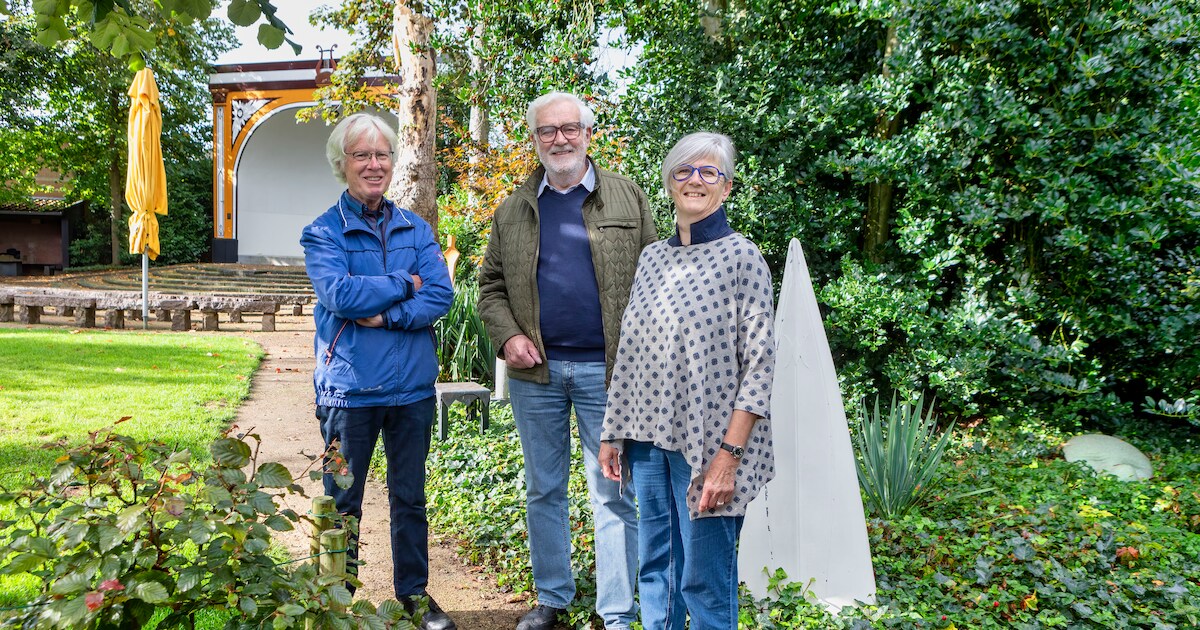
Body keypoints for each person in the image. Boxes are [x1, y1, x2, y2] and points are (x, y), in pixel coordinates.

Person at [478, 92, 657, 630]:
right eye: (548, 131)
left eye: (569, 128)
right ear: (534, 140)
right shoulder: (513, 209)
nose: (559, 139)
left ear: (587, 134)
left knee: (614, 491)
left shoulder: (628, 198)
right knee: (544, 488)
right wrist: (508, 337)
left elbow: (655, 281)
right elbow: (490, 288)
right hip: (538, 375)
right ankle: (552, 598)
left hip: (610, 375)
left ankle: (618, 611)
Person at [599, 132, 776, 630]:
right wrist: (613, 432)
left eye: (708, 172)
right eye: (684, 171)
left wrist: (728, 459)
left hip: (711, 446)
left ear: (727, 187)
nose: (694, 180)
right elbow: (631, 352)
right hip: (647, 441)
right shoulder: (652, 257)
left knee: (704, 580)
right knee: (656, 568)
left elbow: (760, 366)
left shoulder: (744, 258)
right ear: (669, 181)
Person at [300, 113, 456, 630]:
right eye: (361, 155)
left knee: (410, 498)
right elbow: (340, 295)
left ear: (393, 162)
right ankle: (333, 601)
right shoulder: (322, 231)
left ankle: (413, 597)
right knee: (341, 501)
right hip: (348, 391)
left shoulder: (417, 227)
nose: (373, 164)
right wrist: (404, 282)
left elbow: (441, 295)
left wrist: (387, 311)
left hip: (410, 389)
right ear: (341, 164)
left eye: (382, 155)